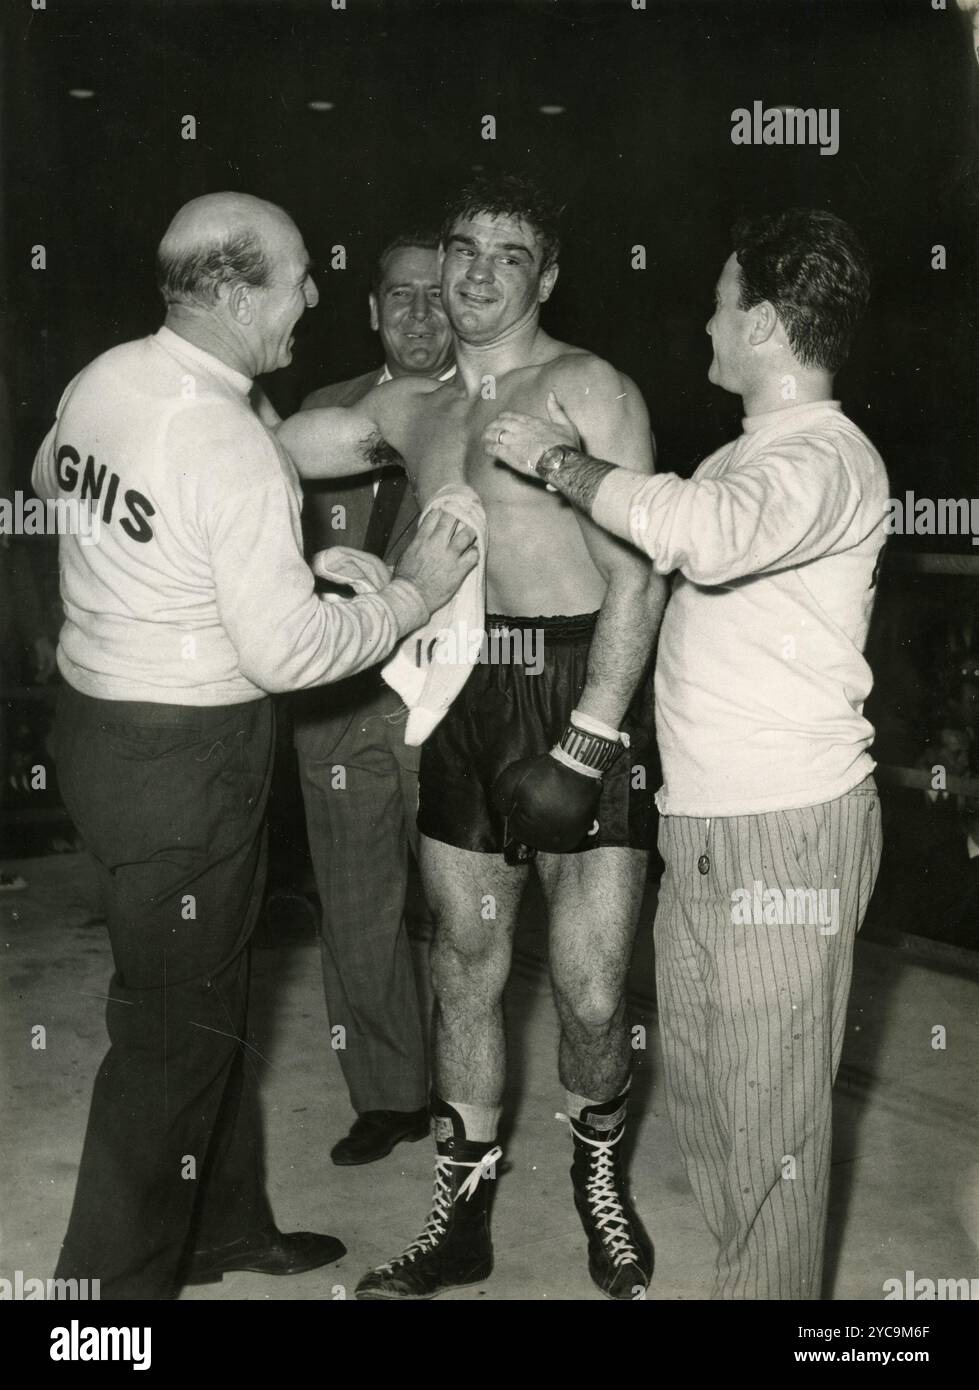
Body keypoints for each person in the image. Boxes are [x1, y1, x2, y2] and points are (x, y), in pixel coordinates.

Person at [30, 191, 476, 1300]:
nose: (316, 294)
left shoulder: (109, 379)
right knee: (169, 1043)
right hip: (184, 760)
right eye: (293, 279)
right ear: (234, 294)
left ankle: (221, 1226)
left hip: (98, 730)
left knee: (207, 995)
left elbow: (53, 481)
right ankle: (98, 1313)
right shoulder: (228, 443)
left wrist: (250, 548)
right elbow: (286, 657)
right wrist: (415, 590)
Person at [279, 173, 667, 1300]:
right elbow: (274, 449)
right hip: (464, 693)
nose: (478, 273)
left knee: (593, 993)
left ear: (544, 277)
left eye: (508, 255)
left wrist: (590, 740)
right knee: (465, 969)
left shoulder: (587, 384)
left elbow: (636, 579)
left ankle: (600, 1180)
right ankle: (461, 1218)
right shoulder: (413, 407)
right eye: (462, 250)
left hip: (577, 684)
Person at [487, 207, 888, 1300]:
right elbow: (675, 550)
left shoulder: (825, 457)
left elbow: (698, 536)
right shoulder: (745, 455)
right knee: (715, 1109)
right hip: (710, 825)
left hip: (782, 834)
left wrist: (559, 463)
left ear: (761, 321)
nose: (705, 324)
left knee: (767, 1135)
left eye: (719, 303)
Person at [293, 230, 454, 1167]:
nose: (422, 313)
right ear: (370, 308)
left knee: (467, 911)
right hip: (341, 695)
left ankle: (467, 1086)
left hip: (449, 696)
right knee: (357, 909)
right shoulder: (321, 414)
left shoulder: (488, 411)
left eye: (439, 295)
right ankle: (388, 1097)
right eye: (402, 296)